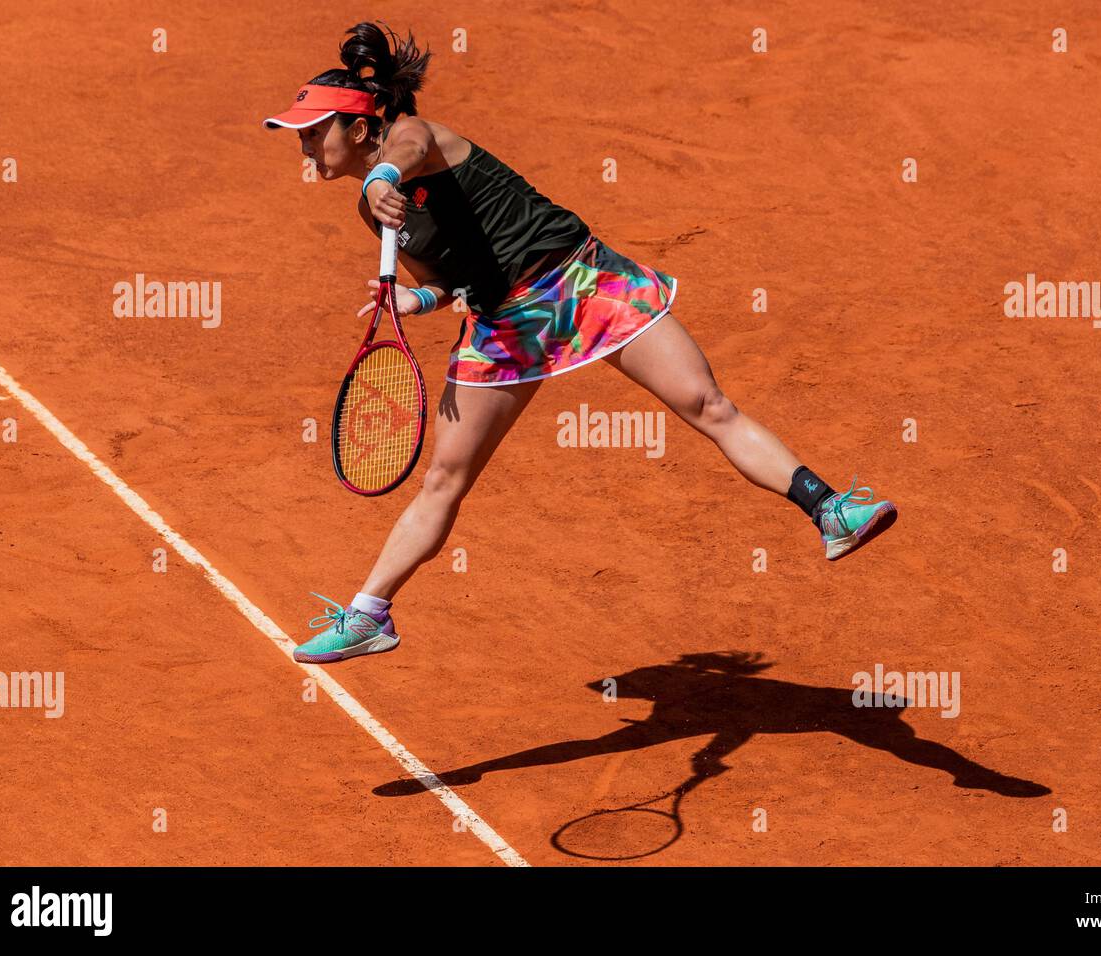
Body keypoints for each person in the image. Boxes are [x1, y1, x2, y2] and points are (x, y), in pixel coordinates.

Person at [263, 22, 897, 664]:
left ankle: (829, 511)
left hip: (584, 282)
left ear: (361, 130)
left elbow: (410, 142)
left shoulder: (417, 141)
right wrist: (417, 298)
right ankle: (370, 614)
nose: (305, 148)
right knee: (444, 480)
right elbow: (449, 283)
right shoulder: (373, 213)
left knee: (707, 405)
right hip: (505, 326)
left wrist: (381, 180)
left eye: (313, 133)